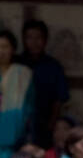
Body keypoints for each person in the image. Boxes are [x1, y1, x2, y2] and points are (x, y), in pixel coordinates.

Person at [19, 19, 70, 150]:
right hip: (17, 122)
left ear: (45, 40)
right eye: (29, 38)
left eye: (38, 38)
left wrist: (51, 124)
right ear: (23, 40)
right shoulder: (16, 64)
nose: (34, 42)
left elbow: (59, 99)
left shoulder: (53, 67)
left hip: (43, 123)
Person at [0, 29, 34, 158]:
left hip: (14, 143)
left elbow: (31, 109)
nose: (1, 51)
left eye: (5, 47)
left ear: (13, 49)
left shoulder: (23, 74)